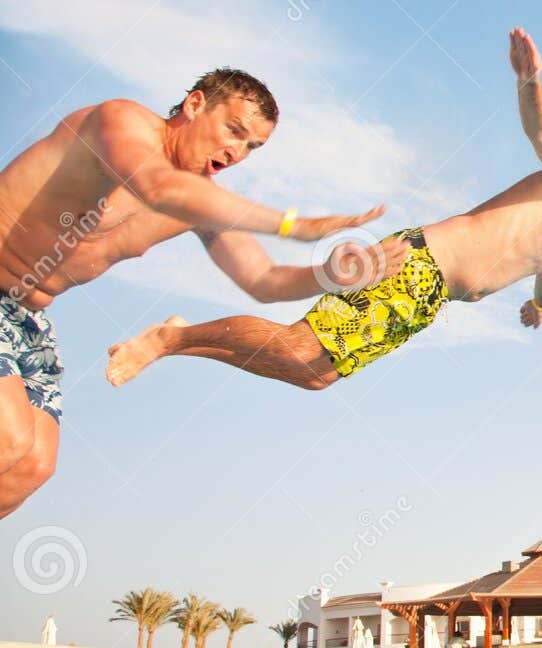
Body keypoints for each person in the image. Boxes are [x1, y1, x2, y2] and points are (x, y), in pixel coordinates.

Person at [105, 28, 542, 391]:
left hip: (428, 300)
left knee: (312, 375)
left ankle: (178, 339)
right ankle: (171, 339)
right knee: (304, 346)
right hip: (415, 265)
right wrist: (530, 81)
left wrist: (539, 309)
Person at [0, 68, 390, 517]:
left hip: (26, 320)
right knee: (10, 439)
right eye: (234, 131)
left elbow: (262, 278)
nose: (237, 152)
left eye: (252, 147)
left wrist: (331, 274)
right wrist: (291, 225)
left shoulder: (197, 203)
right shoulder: (119, 123)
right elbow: (156, 186)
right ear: (195, 105)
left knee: (32, 466)